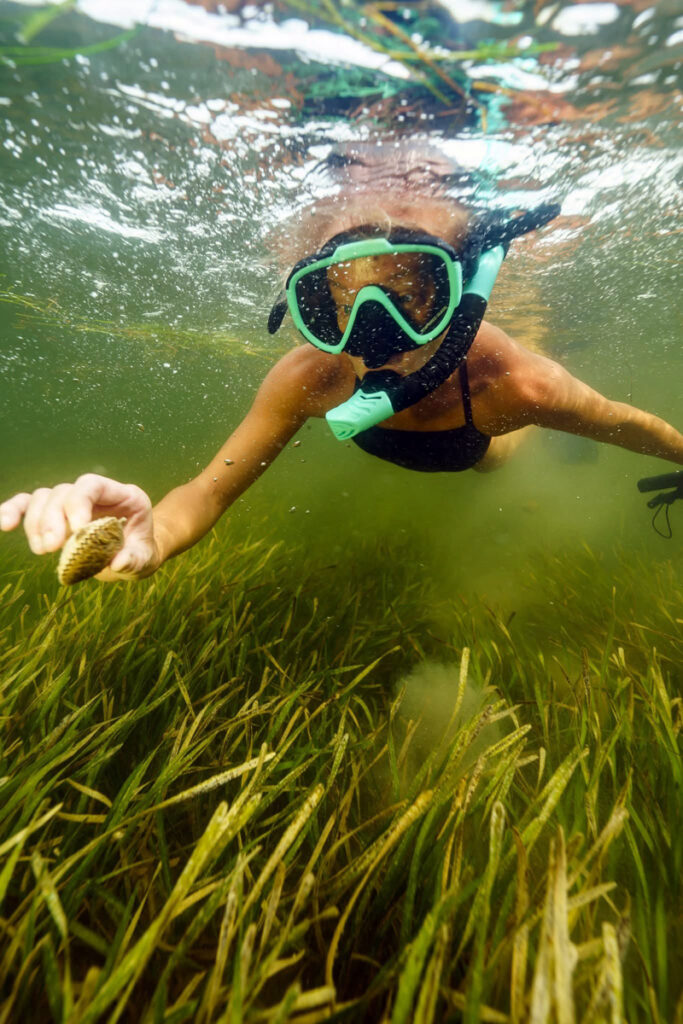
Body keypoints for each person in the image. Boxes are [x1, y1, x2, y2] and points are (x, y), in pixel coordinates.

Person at [1, 142, 682, 581]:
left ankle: (518, 446)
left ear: (461, 292)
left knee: (496, 458)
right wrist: (148, 541)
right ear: (309, 304)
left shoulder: (518, 382)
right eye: (340, 304)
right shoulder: (311, 377)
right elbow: (205, 492)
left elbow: (627, 424)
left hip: (475, 436)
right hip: (379, 433)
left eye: (411, 293)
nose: (373, 331)